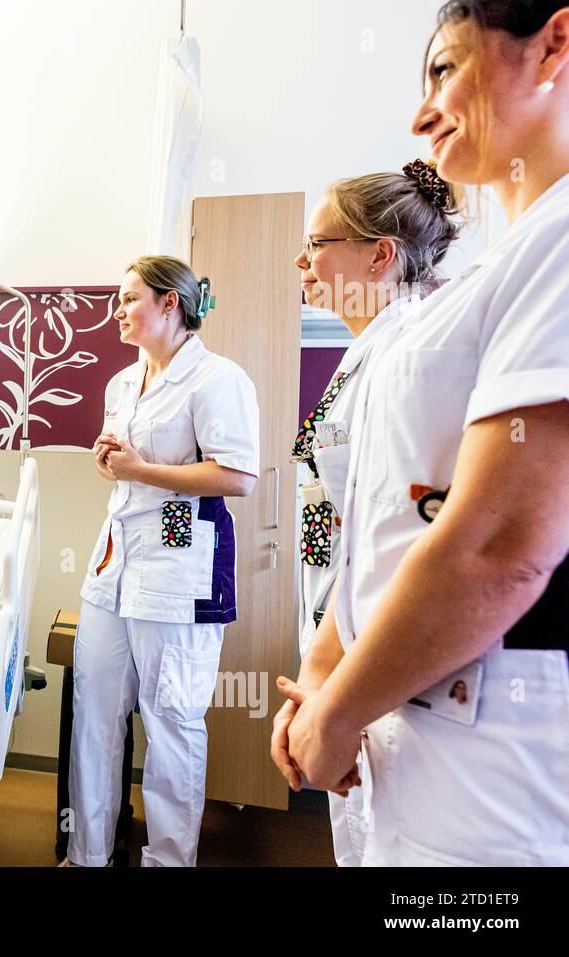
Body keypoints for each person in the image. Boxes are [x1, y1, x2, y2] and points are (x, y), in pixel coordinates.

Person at [272, 0, 569, 866]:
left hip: (490, 727)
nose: (419, 112)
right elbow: (381, 527)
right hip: (416, 702)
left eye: (444, 69)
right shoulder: (500, 272)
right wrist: (330, 672)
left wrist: (339, 705)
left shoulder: (554, 248)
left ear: (555, 42)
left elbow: (502, 541)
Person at [66, 255, 260, 867]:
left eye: (128, 299)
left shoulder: (218, 379)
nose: (117, 311)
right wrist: (112, 460)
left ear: (169, 303)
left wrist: (140, 470)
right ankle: (88, 853)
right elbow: (123, 468)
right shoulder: (123, 383)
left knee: (172, 723)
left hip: (179, 571)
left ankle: (169, 861)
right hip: (114, 566)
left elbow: (237, 476)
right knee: (93, 715)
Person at [291, 163, 459, 865]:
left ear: (379, 255)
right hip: (343, 630)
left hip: (377, 655)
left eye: (318, 242)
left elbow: (412, 542)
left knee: (374, 838)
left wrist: (338, 681)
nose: (302, 259)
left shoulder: (408, 357)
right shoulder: (366, 352)